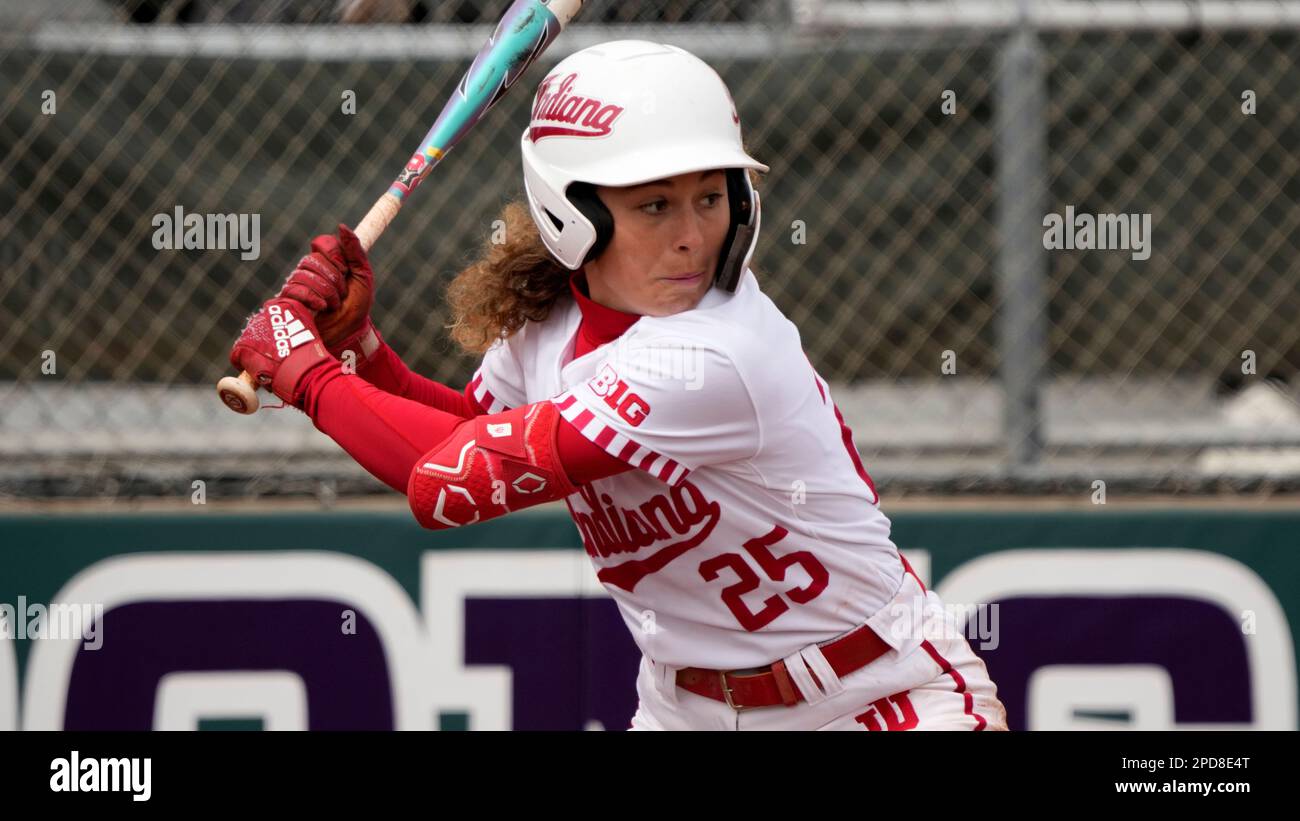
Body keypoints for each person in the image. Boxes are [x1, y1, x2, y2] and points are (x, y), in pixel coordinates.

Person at [229, 40, 1008, 731]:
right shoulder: (548, 323)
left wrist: (305, 373)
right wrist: (359, 350)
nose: (692, 235)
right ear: (572, 214)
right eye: (654, 205)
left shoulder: (715, 354)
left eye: (710, 196)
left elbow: (448, 480)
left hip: (876, 697)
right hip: (688, 709)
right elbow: (469, 424)